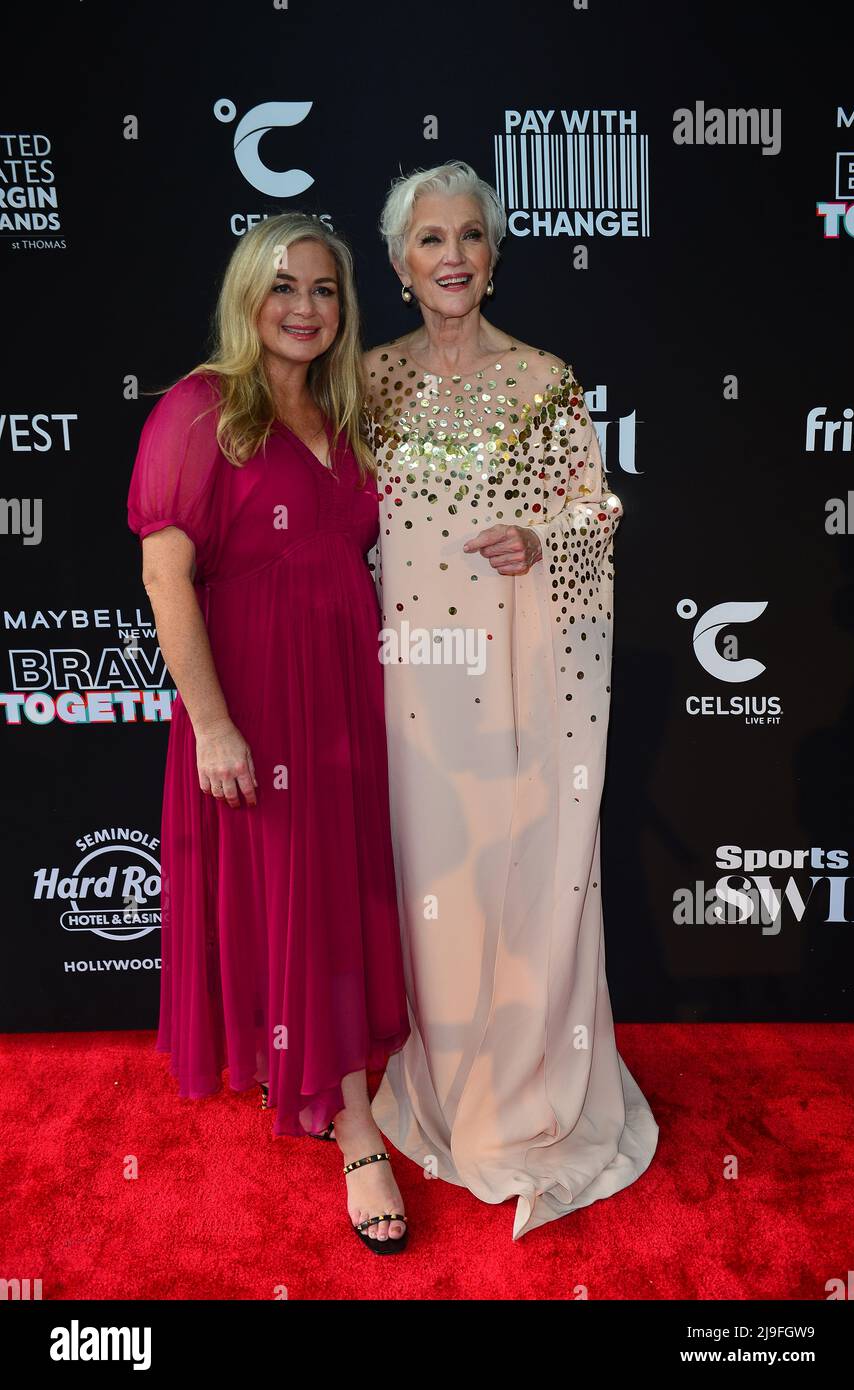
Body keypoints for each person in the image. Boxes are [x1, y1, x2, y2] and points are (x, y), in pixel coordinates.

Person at [363, 161, 659, 1239]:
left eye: (470, 236)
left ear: (493, 256)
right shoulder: (368, 380)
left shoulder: (543, 382)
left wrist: (542, 538)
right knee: (438, 886)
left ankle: (526, 1093)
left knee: (518, 874)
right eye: (429, 239)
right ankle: (449, 1077)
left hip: (521, 681)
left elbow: (594, 518)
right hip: (412, 688)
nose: (451, 256)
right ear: (399, 266)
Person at [127, 212, 411, 1252]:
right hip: (253, 695)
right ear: (248, 296)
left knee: (330, 890)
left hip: (344, 690)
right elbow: (165, 577)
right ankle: (357, 1130)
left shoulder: (342, 408)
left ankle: (322, 1073)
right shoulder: (204, 408)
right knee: (301, 890)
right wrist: (213, 726)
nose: (305, 307)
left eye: (325, 290)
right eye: (284, 286)